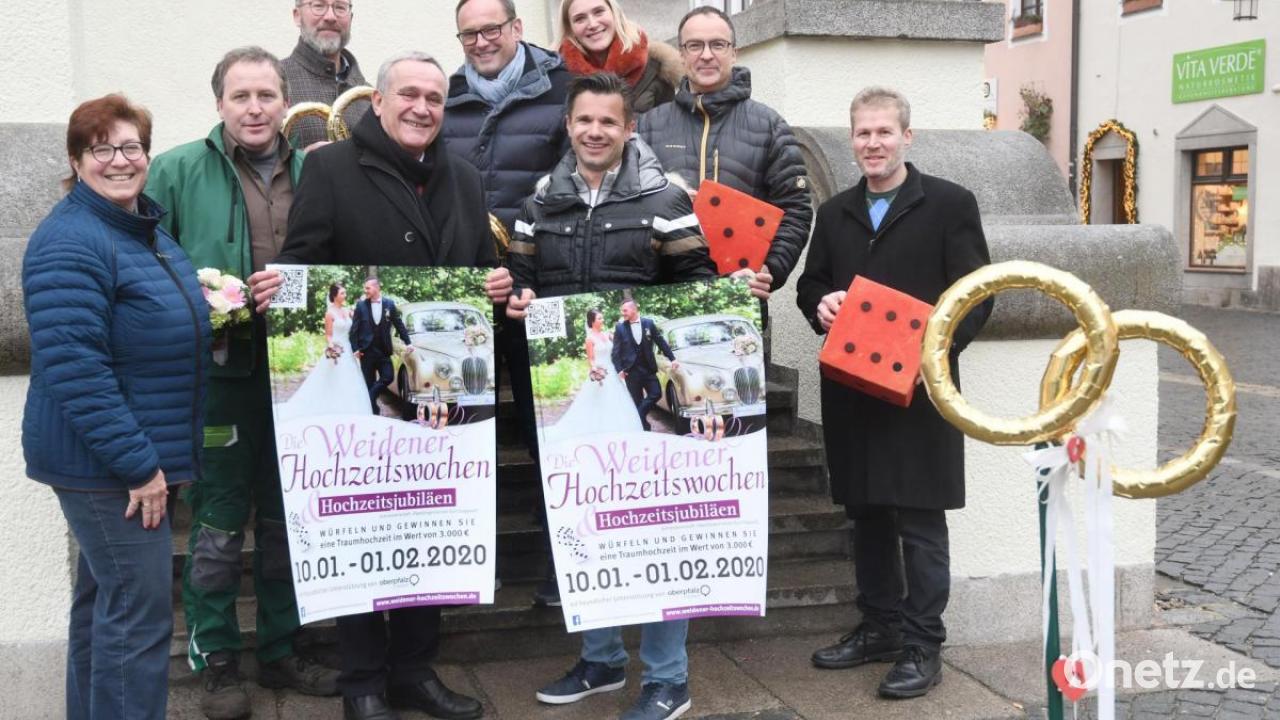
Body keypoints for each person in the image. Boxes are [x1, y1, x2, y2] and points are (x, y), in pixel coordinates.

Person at [249, 50, 514, 720]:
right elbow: (303, 263)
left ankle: (414, 673)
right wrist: (282, 287)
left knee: (430, 526)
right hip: (358, 392)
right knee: (366, 533)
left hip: (441, 392)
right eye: (410, 95)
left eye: (435, 97)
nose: (422, 107)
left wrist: (497, 287)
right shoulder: (331, 168)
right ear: (380, 100)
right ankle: (362, 683)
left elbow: (479, 274)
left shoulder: (463, 176)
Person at [506, 71, 716, 720]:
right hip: (570, 394)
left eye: (608, 122)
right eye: (583, 120)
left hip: (644, 394)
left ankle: (667, 678)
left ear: (629, 129)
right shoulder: (539, 203)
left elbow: (699, 282)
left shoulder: (665, 198)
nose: (595, 131)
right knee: (582, 527)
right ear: (569, 126)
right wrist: (517, 296)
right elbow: (519, 271)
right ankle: (600, 660)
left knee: (657, 532)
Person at [145, 46, 338, 720]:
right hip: (219, 375)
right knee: (221, 523)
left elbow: (349, 257)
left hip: (306, 375)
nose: (254, 108)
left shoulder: (321, 169)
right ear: (219, 103)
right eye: (240, 96)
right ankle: (217, 656)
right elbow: (143, 268)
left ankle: (284, 648)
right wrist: (203, 297)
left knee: (291, 521)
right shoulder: (173, 170)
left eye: (265, 95)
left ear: (286, 101)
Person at [796, 87, 992, 699]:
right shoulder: (833, 214)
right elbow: (812, 287)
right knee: (867, 516)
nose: (873, 144)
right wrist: (820, 303)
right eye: (863, 134)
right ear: (851, 140)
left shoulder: (950, 204)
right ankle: (878, 627)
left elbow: (977, 298)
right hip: (854, 394)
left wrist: (927, 357)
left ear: (907, 136)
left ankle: (922, 643)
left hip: (923, 393)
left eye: (884, 132)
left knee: (921, 522)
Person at [22, 94, 210, 720]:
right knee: (137, 619)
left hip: (124, 457)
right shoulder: (73, 241)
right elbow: (77, 370)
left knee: (105, 609)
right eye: (102, 149)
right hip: (111, 468)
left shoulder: (136, 229)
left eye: (131, 146)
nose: (120, 160)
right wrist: (139, 467)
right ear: (77, 161)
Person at [444, 0, 574, 607]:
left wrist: (526, 263)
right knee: (462, 435)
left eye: (491, 29)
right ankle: (472, 559)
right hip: (464, 294)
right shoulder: (441, 97)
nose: (480, 42)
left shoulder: (564, 90)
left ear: (518, 29)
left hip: (539, 290)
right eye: (468, 33)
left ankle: (562, 560)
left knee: (547, 430)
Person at [636, 6, 810, 308]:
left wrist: (770, 269)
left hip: (741, 292)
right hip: (664, 293)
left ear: (734, 53)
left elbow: (795, 209)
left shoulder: (769, 125)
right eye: (695, 45)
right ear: (682, 54)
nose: (706, 54)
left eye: (718, 44)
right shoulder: (649, 125)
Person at [556, 0, 682, 113]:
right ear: (569, 28)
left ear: (614, 14)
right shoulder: (556, 76)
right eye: (580, 19)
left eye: (599, 12)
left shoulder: (655, 68)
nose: (592, 24)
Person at [543, 308, 642, 445]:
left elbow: (620, 346)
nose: (602, 321)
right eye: (599, 319)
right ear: (592, 321)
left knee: (618, 400)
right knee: (600, 402)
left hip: (613, 371)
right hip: (601, 373)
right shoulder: (589, 339)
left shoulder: (607, 335)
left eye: (602, 318)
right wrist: (595, 371)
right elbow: (591, 359)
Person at [278, 282, 371, 422]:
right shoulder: (330, 313)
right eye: (342, 293)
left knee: (351, 380)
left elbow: (356, 326)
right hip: (337, 350)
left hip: (348, 350)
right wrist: (331, 346)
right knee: (334, 380)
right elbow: (328, 334)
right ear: (335, 296)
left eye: (345, 293)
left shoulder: (347, 311)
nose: (345, 295)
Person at [282, 0, 369, 150]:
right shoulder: (273, 82)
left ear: (351, 18)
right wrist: (298, 163)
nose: (330, 17)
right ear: (297, 16)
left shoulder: (370, 96)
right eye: (318, 6)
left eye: (340, 7)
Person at [610, 299, 678, 432]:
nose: (623, 313)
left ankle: (637, 415)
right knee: (637, 400)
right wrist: (619, 370)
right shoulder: (620, 327)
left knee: (656, 393)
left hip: (648, 369)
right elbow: (615, 352)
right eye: (622, 311)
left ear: (634, 309)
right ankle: (644, 429)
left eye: (625, 310)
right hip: (631, 371)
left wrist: (672, 359)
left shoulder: (649, 323)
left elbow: (660, 342)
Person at [348, 277, 413, 414]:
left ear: (377, 288)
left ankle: (369, 396)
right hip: (367, 351)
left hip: (384, 350)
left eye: (368, 288)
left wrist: (408, 342)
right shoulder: (360, 306)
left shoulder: (389, 304)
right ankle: (373, 412)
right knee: (369, 382)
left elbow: (398, 324)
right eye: (365, 288)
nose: (365, 291)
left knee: (388, 376)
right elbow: (354, 329)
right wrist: (355, 349)